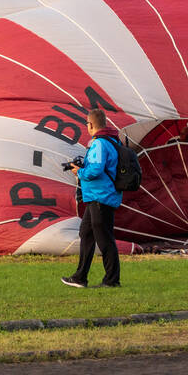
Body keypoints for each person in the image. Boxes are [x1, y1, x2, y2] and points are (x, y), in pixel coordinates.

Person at [61, 109, 122, 289]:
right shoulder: (111, 141)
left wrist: (79, 171)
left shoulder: (99, 144)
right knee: (86, 234)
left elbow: (95, 170)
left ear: (91, 124)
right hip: (98, 197)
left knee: (104, 238)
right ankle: (80, 277)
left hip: (100, 197)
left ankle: (112, 281)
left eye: (87, 123)